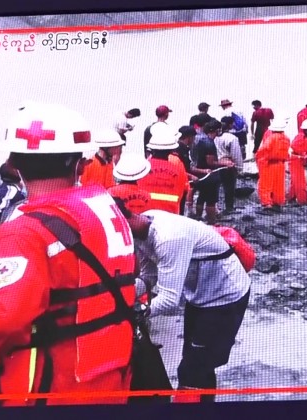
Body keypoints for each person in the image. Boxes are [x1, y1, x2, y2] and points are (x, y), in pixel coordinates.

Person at [0, 102, 138, 406]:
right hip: (109, 372)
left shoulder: (23, 230)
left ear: (12, 163)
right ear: (81, 162)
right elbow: (66, 293)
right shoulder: (102, 206)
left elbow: (3, 321)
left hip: (54, 385)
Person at [115, 198, 251, 403]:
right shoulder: (141, 231)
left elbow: (169, 299)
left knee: (192, 370)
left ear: (123, 219)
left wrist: (133, 311)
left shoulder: (169, 238)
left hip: (224, 297)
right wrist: (119, 296)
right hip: (200, 295)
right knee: (197, 361)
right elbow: (148, 277)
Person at [139, 125, 189, 214]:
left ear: (151, 149)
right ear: (172, 150)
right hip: (170, 213)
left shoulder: (142, 167)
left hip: (145, 213)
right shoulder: (178, 167)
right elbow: (185, 189)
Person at [190, 121, 233, 224]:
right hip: (209, 175)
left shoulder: (200, 140)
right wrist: (225, 163)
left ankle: (198, 218)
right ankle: (212, 222)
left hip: (200, 173)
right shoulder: (209, 143)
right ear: (216, 130)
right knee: (211, 200)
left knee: (201, 197)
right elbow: (210, 162)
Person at [256, 119, 290, 212]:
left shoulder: (271, 138)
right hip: (281, 164)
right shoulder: (286, 138)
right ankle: (278, 203)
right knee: (279, 185)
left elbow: (263, 151)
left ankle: (267, 204)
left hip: (269, 164)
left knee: (265, 184)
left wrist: (259, 160)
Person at [216, 116, 244, 214]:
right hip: (228, 165)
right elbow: (236, 154)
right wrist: (239, 168)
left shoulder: (214, 136)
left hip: (215, 165)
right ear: (230, 125)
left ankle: (215, 208)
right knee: (229, 188)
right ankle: (229, 208)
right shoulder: (232, 138)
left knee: (216, 188)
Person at [287, 118, 307, 206]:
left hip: (298, 161)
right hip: (296, 161)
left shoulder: (306, 138)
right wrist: (303, 154)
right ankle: (303, 201)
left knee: (295, 181)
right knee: (300, 182)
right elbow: (294, 146)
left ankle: (291, 198)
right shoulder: (301, 137)